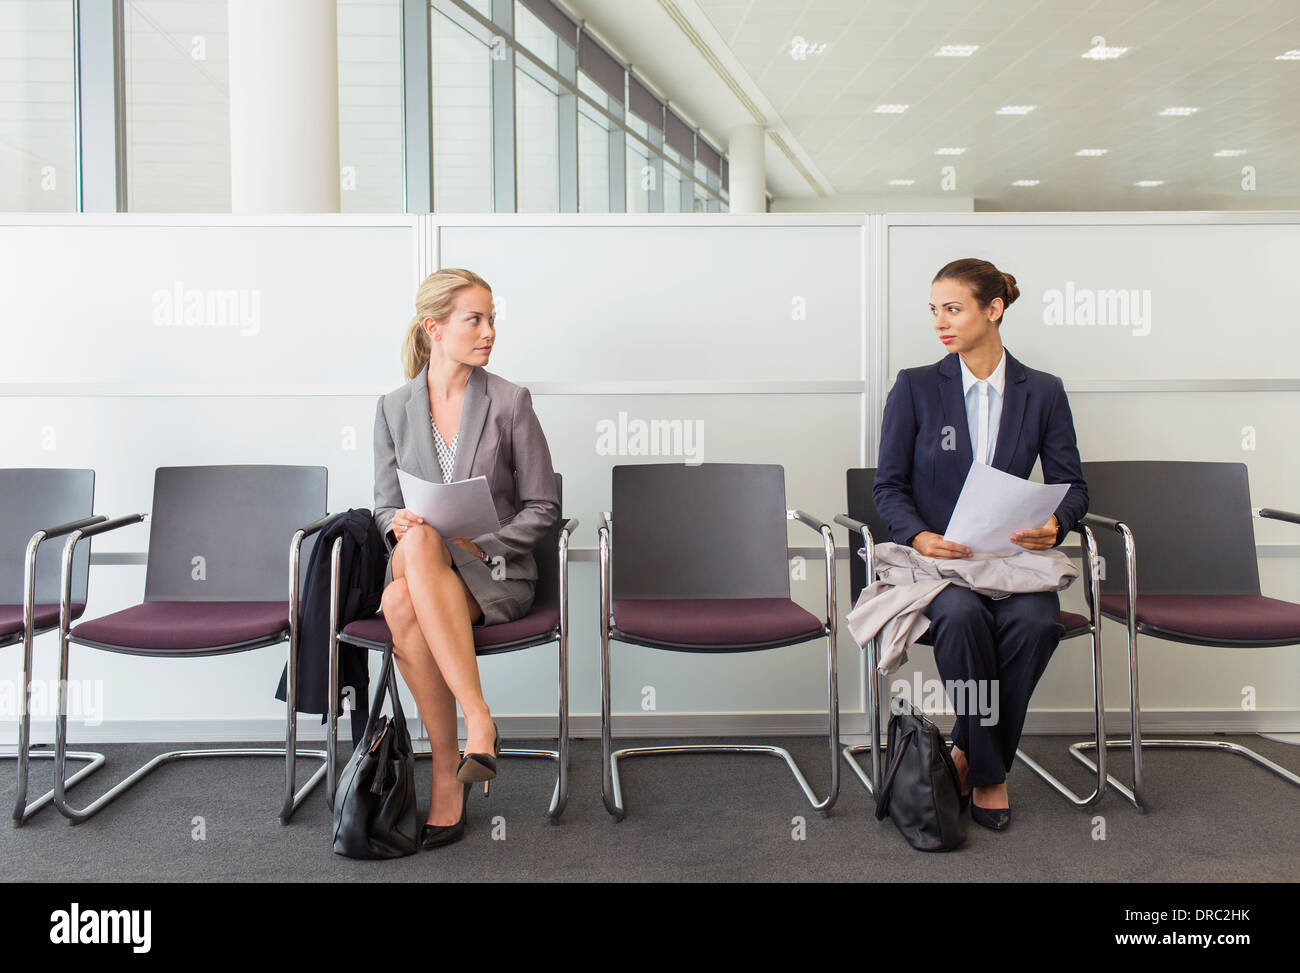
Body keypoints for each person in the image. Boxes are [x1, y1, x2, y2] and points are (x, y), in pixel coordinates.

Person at [873, 257, 1088, 831]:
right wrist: (920, 534)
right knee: (964, 618)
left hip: (1011, 561)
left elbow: (1073, 484)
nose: (940, 322)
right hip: (937, 565)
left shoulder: (1041, 391)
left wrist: (1057, 525)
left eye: (953, 308)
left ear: (993, 310)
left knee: (1037, 624)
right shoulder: (917, 386)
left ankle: (969, 753)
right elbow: (887, 486)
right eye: (935, 310)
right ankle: (990, 775)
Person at [372, 268, 559, 849]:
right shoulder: (392, 408)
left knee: (400, 603)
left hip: (493, 575)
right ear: (434, 328)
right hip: (423, 561)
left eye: (492, 319)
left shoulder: (510, 402)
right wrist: (397, 522)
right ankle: (478, 719)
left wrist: (482, 545)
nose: (489, 332)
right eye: (474, 319)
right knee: (418, 540)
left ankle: (446, 779)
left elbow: (543, 507)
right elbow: (383, 509)